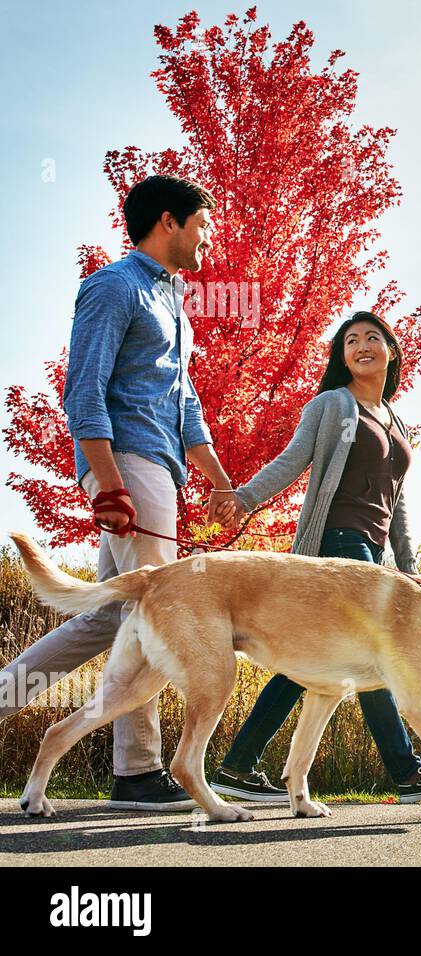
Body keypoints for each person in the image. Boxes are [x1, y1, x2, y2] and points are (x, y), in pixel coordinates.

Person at [0, 175, 238, 811]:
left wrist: (219, 483)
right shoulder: (114, 286)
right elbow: (83, 387)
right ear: (169, 222)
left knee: (114, 612)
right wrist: (108, 483)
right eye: (201, 227)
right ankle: (137, 771)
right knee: (162, 614)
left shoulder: (174, 297)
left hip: (158, 465)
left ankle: (6, 696)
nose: (206, 240)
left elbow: (184, 405)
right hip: (129, 464)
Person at [207, 311, 421, 804]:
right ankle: (405, 771)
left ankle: (236, 767)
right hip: (336, 544)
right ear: (341, 357)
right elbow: (293, 459)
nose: (361, 345)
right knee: (376, 653)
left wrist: (407, 569)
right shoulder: (332, 405)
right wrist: (244, 498)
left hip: (370, 552)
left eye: (371, 337)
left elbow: (396, 503)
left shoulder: (394, 418)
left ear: (390, 349)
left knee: (312, 661)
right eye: (349, 341)